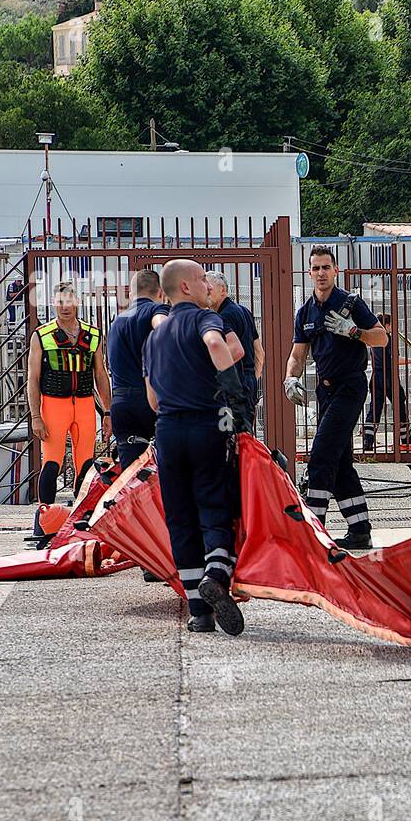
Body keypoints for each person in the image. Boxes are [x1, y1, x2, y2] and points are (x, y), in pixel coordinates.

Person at [143, 259, 252, 635]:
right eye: (203, 278)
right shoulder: (205, 319)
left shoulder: (154, 337)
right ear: (186, 287)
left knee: (180, 519)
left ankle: (199, 612)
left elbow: (153, 399)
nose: (209, 284)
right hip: (207, 425)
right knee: (215, 504)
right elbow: (215, 343)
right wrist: (233, 394)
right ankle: (217, 574)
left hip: (169, 431)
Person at [283, 246, 388, 550]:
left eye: (326, 267)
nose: (321, 273)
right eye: (315, 268)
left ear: (336, 270)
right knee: (340, 462)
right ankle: (359, 530)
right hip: (325, 391)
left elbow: (382, 338)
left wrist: (354, 331)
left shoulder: (351, 303)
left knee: (321, 455)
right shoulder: (305, 312)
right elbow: (297, 355)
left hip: (350, 386)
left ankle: (312, 532)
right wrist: (291, 377)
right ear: (309, 272)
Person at [26, 281, 112, 538]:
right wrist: (36, 416)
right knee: (52, 463)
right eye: (60, 302)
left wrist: (107, 412)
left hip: (85, 404)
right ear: (54, 303)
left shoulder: (92, 335)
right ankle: (44, 523)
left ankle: (81, 520)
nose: (65, 307)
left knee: (85, 465)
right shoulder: (42, 335)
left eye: (70, 301)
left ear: (77, 303)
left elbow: (101, 373)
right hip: (53, 405)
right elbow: (33, 378)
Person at [106, 269, 171, 469]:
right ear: (160, 292)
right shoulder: (157, 311)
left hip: (122, 405)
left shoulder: (117, 322)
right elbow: (161, 324)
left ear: (131, 293)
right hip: (152, 402)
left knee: (131, 478)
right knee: (164, 471)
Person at [206, 271, 264, 406]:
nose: (206, 293)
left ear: (222, 290)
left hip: (233, 384)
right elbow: (260, 353)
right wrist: (251, 380)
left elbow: (227, 352)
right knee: (245, 426)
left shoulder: (223, 317)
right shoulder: (244, 311)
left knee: (228, 426)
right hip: (248, 381)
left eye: (209, 289)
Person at [362, 312, 411, 451]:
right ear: (386, 325)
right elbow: (394, 360)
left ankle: (368, 441)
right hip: (389, 377)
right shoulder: (387, 338)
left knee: (375, 409)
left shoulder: (374, 339)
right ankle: (405, 439)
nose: (394, 327)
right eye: (392, 325)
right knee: (400, 407)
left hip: (376, 376)